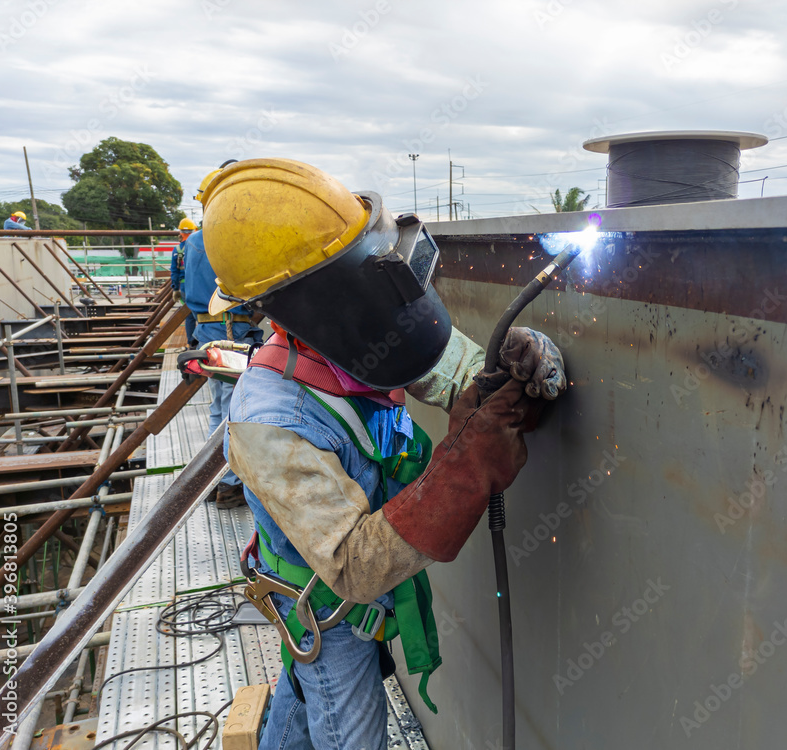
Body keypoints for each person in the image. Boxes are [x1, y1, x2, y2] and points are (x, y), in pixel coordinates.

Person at [199, 158, 566, 749]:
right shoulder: (268, 421)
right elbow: (353, 566)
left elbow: (465, 378)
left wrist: (519, 365)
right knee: (350, 728)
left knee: (299, 692)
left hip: (345, 588)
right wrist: (467, 463)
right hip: (327, 608)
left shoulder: (357, 340)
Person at [187, 166, 263, 508]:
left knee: (219, 410)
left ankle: (214, 479)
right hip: (230, 332)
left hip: (206, 331)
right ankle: (229, 484)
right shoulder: (232, 237)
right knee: (237, 411)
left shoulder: (192, 241)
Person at [171, 217, 198, 346]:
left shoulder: (177, 250)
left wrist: (175, 288)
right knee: (203, 312)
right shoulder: (198, 248)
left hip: (184, 286)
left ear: (180, 232)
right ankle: (204, 341)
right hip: (198, 284)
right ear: (194, 231)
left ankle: (191, 343)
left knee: (189, 315)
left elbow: (174, 271)